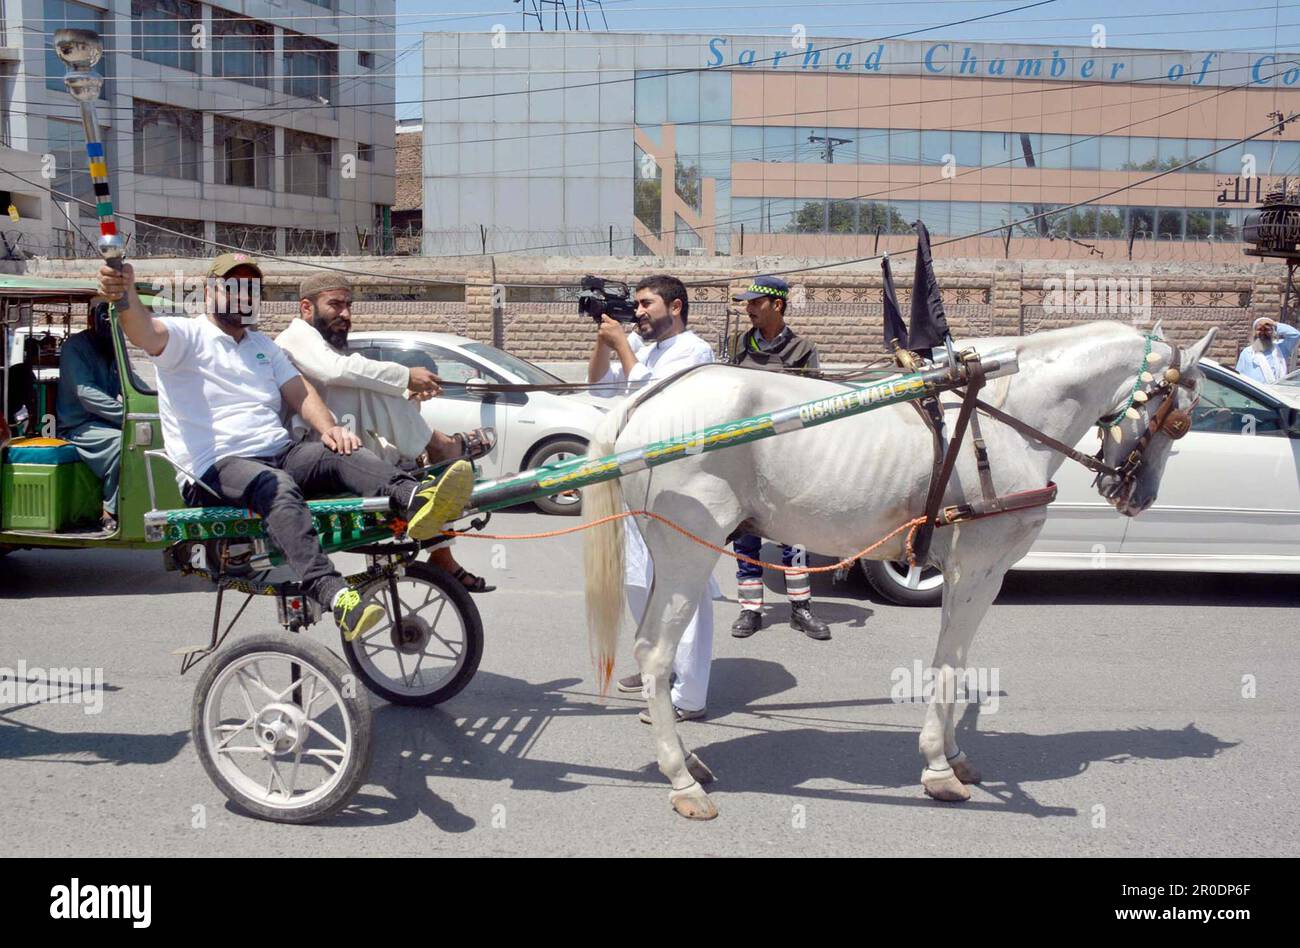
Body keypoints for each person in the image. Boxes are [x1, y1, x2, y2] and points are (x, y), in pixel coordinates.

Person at [96, 253, 475, 641]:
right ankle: (331, 591)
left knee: (338, 452)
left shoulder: (263, 346)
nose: (243, 297)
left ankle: (413, 497)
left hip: (278, 453)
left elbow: (300, 391)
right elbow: (142, 331)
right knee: (275, 485)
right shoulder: (186, 337)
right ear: (210, 292)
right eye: (233, 287)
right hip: (214, 468)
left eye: (250, 289)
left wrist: (330, 430)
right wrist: (124, 294)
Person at [275, 271, 498, 593]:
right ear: (306, 308)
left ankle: (442, 554)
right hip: (313, 454)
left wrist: (407, 396)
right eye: (335, 305)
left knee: (422, 479)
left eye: (349, 305)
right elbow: (337, 371)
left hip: (345, 442)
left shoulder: (324, 347)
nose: (346, 314)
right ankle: (438, 446)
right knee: (366, 379)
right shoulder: (295, 338)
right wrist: (405, 375)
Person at [588, 274, 718, 723]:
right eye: (636, 305)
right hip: (638, 480)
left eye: (647, 304)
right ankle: (656, 670)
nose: (638, 312)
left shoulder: (694, 351)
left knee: (683, 588)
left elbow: (655, 400)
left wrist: (622, 345)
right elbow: (599, 389)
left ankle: (690, 695)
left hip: (677, 484)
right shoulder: (645, 348)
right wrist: (606, 343)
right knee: (640, 580)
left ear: (675, 306)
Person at [725, 275, 831, 641]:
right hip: (745, 457)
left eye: (755, 303)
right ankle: (750, 609)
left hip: (789, 458)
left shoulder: (802, 349)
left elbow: (817, 405)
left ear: (777, 305)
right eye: (747, 303)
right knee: (746, 534)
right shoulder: (737, 345)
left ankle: (801, 608)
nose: (749, 309)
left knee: (794, 535)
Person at [56, 301, 123, 532]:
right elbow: (87, 394)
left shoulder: (113, 347)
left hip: (103, 423)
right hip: (77, 426)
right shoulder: (75, 347)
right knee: (123, 444)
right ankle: (109, 510)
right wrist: (127, 416)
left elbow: (131, 384)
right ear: (92, 320)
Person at [1235, 316, 1300, 384]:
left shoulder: (1281, 348)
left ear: (1273, 332)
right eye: (1259, 329)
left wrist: (1274, 323)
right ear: (1254, 332)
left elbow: (1295, 335)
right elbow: (1239, 376)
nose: (1263, 333)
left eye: (1267, 329)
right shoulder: (1247, 352)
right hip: (1253, 391)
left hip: (1274, 392)